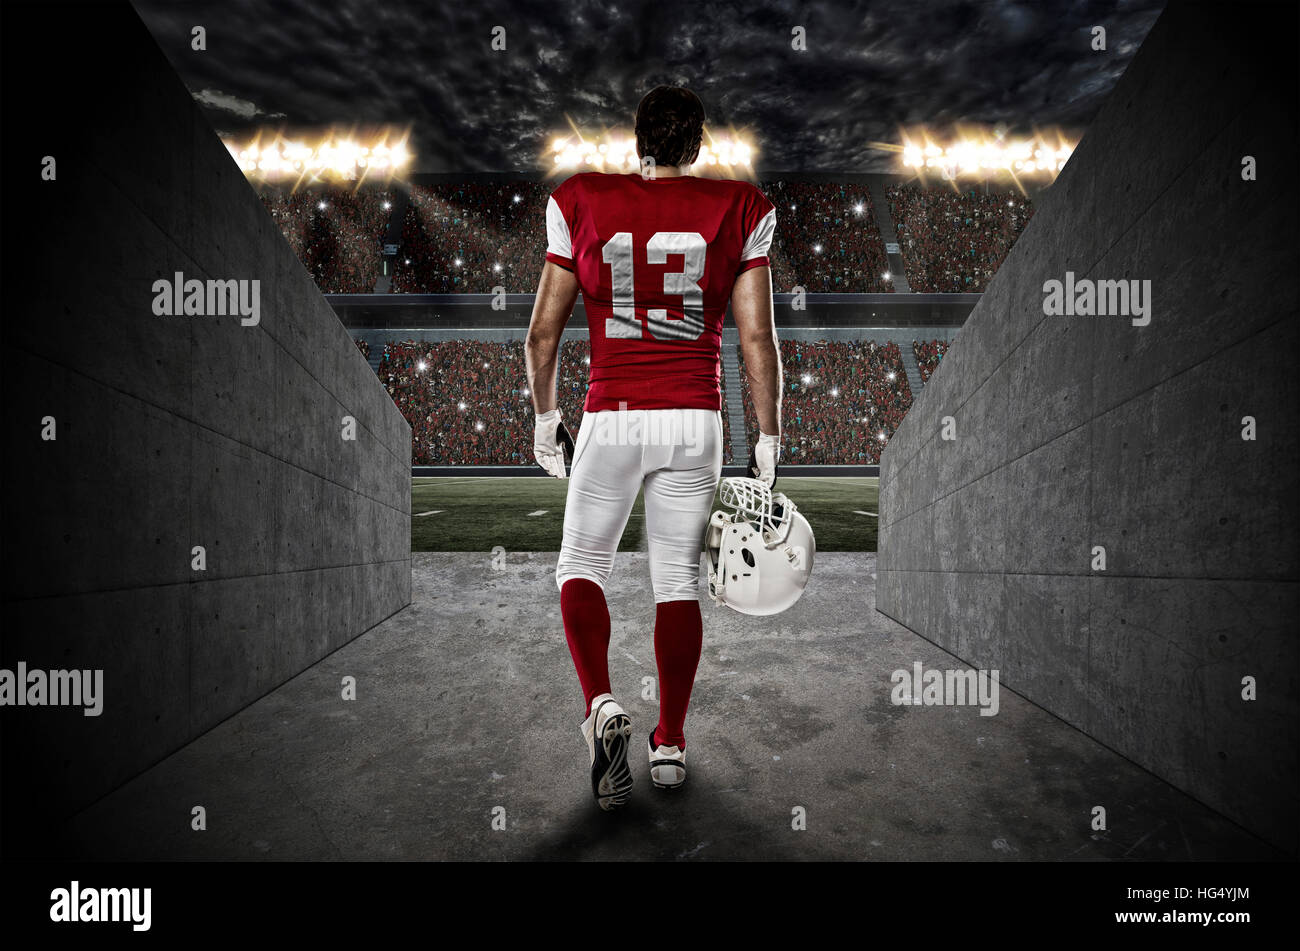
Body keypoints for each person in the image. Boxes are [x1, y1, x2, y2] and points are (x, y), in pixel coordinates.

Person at [524, 85, 782, 811]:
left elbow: (541, 336)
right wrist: (768, 435)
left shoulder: (582, 198)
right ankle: (668, 744)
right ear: (697, 145)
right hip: (695, 416)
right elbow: (757, 340)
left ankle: (602, 704)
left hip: (612, 412)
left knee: (581, 565)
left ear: (636, 138)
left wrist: (546, 421)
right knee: (676, 582)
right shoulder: (740, 206)